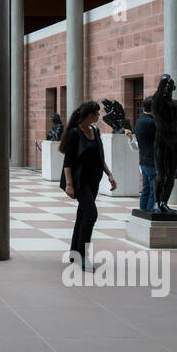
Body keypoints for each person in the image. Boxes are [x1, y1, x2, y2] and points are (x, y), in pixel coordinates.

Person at [61, 100, 116, 269]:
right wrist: (69, 184)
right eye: (97, 113)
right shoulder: (75, 133)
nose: (99, 116)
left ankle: (74, 253)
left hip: (94, 180)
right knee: (91, 215)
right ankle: (83, 256)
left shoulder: (95, 130)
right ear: (89, 115)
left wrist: (109, 175)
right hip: (79, 181)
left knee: (82, 215)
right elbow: (68, 162)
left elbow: (99, 157)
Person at [126, 97, 156, 213]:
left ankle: (142, 212)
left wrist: (130, 138)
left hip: (144, 162)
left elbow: (137, 146)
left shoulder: (139, 121)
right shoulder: (152, 123)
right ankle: (148, 214)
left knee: (146, 189)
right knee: (153, 191)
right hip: (152, 163)